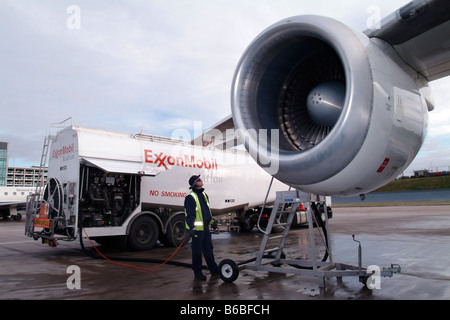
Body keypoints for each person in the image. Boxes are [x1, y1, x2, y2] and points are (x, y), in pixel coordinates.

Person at [184, 175, 219, 280]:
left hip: (206, 228)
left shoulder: (204, 194)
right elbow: (189, 214)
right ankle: (198, 273)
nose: (201, 180)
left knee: (208, 250)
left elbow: (207, 210)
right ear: (194, 184)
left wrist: (212, 222)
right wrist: (191, 228)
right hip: (197, 230)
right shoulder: (190, 197)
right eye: (198, 180)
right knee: (197, 252)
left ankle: (214, 269)